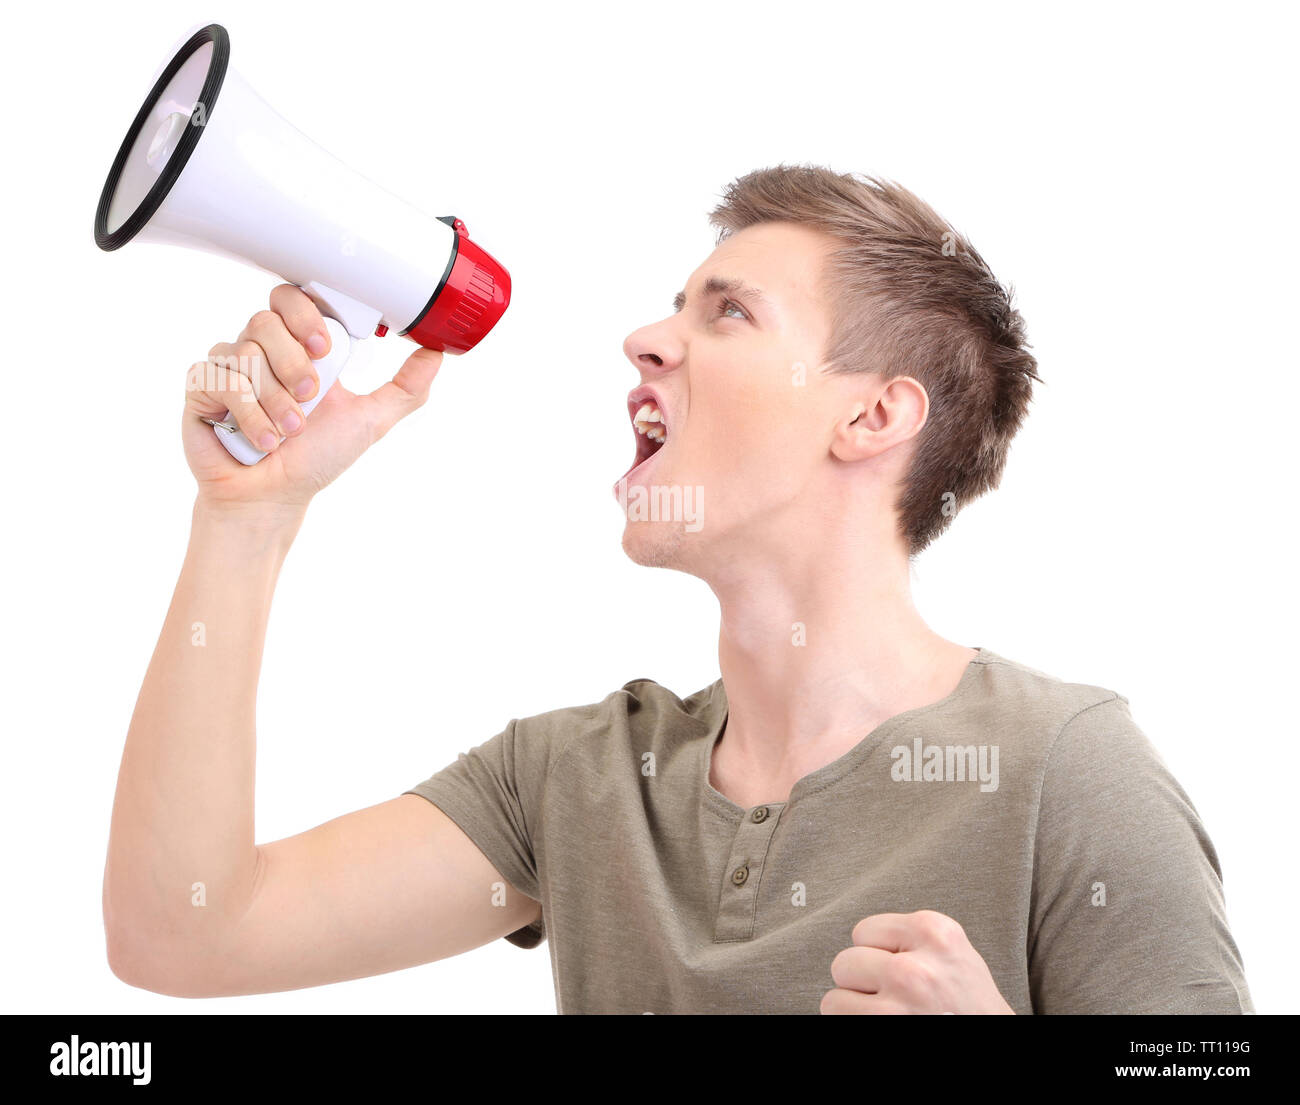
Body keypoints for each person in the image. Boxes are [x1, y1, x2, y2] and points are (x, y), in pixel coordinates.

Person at [104, 164, 1252, 1014]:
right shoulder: (575, 783)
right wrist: (245, 521)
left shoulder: (1070, 767)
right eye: (677, 305)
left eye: (728, 311)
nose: (644, 340)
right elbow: (183, 936)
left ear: (872, 415)